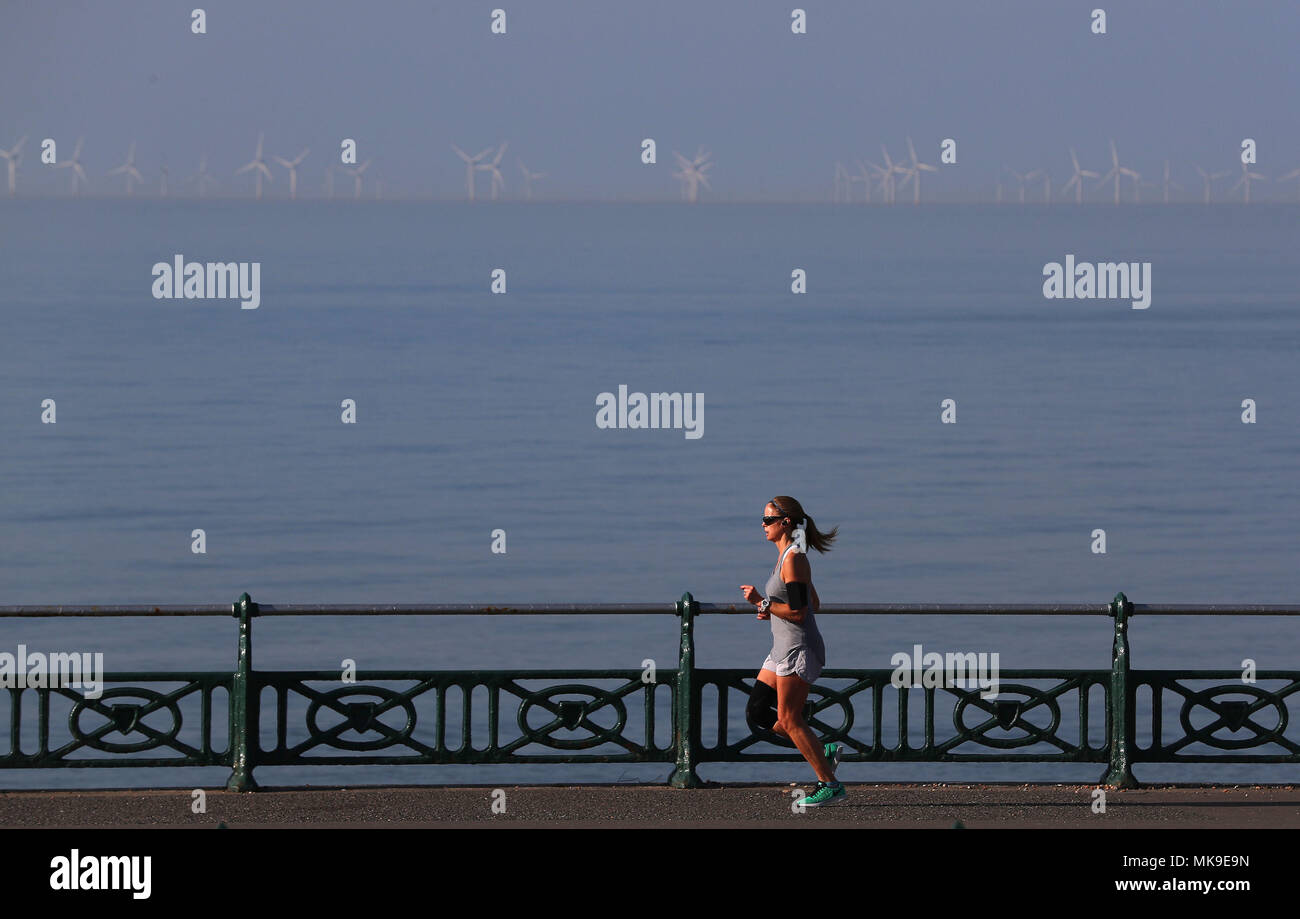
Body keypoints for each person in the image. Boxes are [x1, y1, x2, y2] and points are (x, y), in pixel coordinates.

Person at [739, 495, 846, 807]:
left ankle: (830, 784)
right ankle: (822, 752)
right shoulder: (786, 556)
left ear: (785, 522)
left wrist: (764, 602)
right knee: (758, 711)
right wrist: (771, 608)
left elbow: (801, 613)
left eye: (768, 520)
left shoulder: (794, 558)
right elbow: (813, 602)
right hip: (781, 650)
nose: (763, 524)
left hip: (799, 650)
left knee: (788, 718)